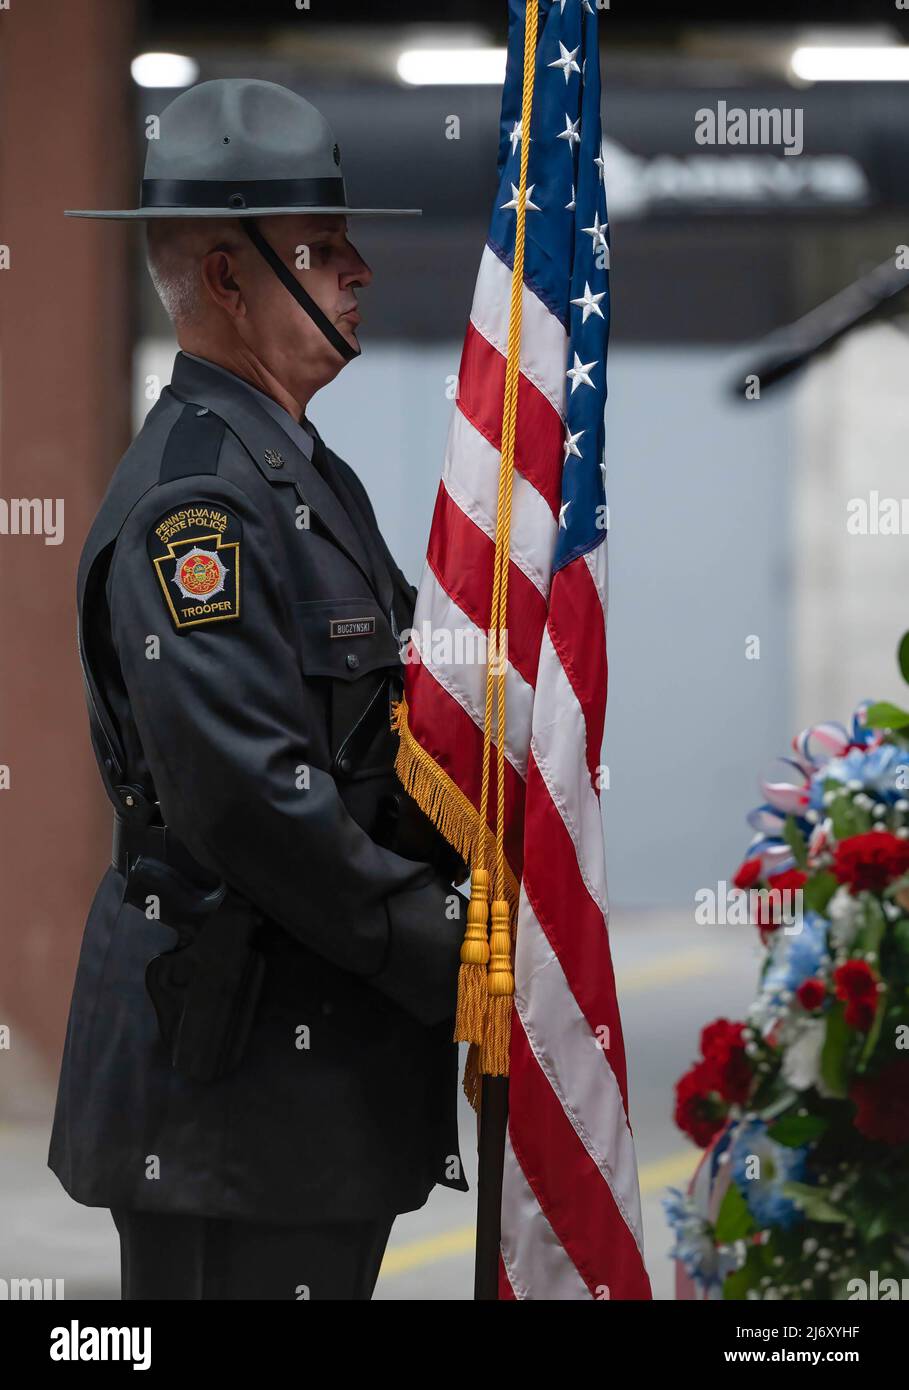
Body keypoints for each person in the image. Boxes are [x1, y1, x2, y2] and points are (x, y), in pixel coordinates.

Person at [48, 77, 468, 1301]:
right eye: (321, 248)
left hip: (310, 1084)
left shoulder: (296, 472)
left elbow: (378, 739)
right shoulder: (203, 505)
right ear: (229, 279)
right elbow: (251, 800)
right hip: (231, 1090)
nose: (359, 271)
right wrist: (445, 945)